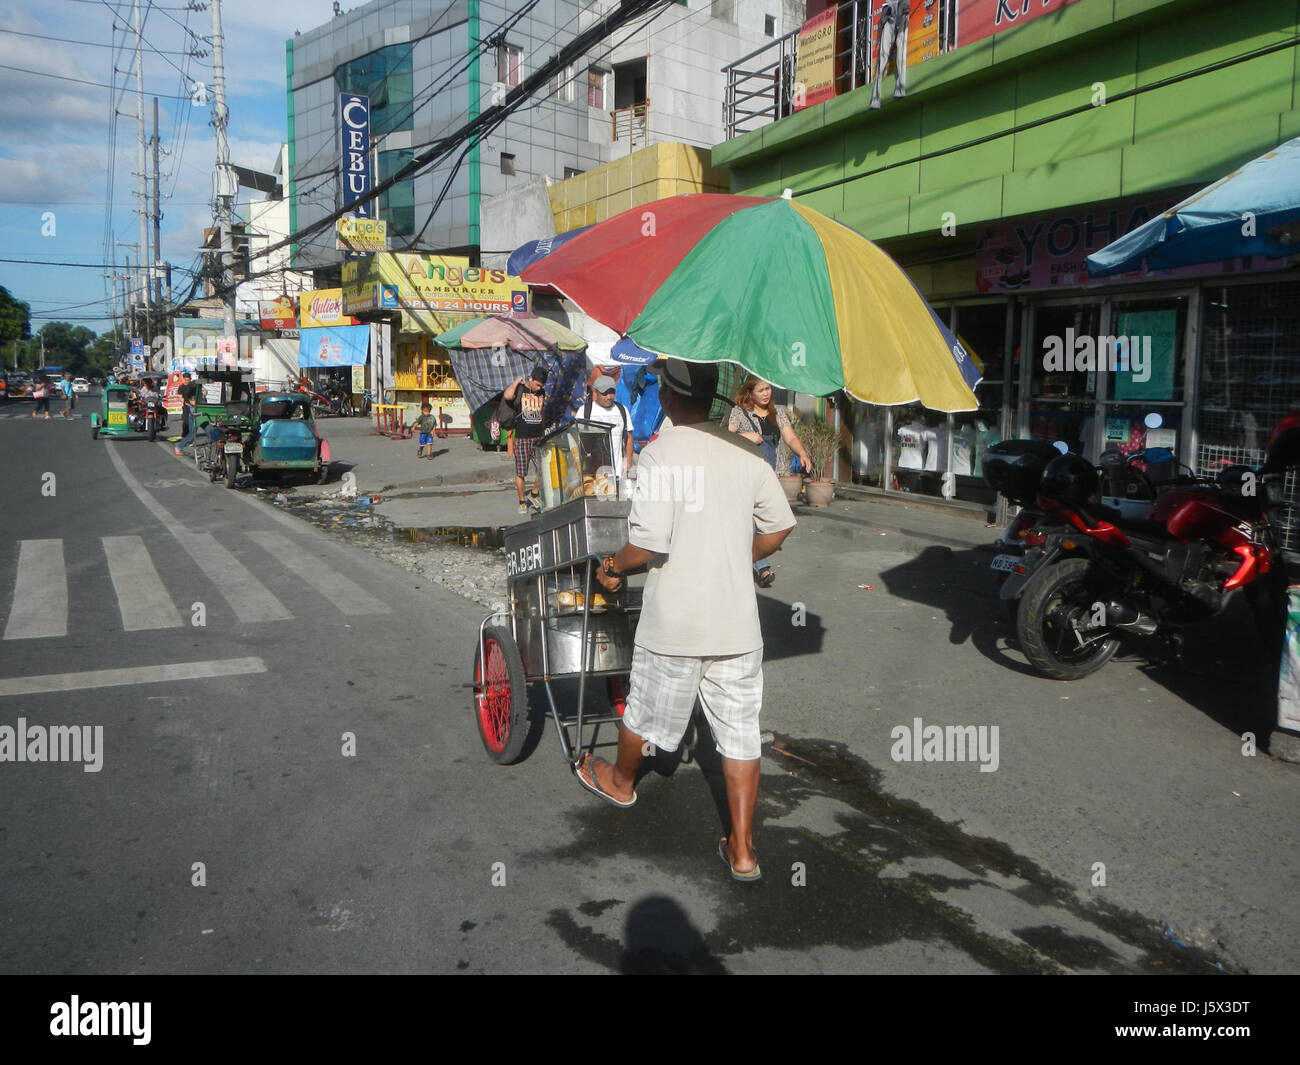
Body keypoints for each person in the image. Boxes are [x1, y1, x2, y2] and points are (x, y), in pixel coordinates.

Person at [575, 358, 797, 882]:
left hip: (675, 622)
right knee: (741, 734)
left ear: (669, 399)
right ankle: (743, 850)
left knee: (646, 712)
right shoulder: (749, 454)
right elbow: (779, 528)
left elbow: (647, 542)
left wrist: (610, 566)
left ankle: (621, 783)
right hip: (737, 624)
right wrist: (733, 555)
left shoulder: (660, 454)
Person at [727, 375, 811, 587]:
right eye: (760, 390)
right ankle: (762, 567)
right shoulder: (739, 413)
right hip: (743, 472)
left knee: (765, 517)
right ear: (750, 392)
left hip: (768, 473)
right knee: (751, 517)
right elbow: (726, 438)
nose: (766, 393)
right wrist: (746, 437)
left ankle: (743, 560)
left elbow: (790, 437)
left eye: (768, 389)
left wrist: (802, 453)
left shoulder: (778, 413)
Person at [501, 364, 549, 513]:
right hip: (522, 438)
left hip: (538, 436)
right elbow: (507, 396)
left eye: (541, 385)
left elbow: (541, 412)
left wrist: (544, 427)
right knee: (521, 472)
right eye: (537, 384)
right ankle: (522, 501)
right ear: (530, 378)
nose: (539, 388)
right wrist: (516, 381)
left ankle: (534, 494)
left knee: (543, 468)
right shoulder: (520, 389)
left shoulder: (542, 393)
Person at [578, 374, 634, 479]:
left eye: (612, 392)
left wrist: (628, 461)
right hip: (594, 476)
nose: (609, 397)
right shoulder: (584, 411)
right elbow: (576, 441)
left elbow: (629, 436)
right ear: (595, 392)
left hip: (618, 475)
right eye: (605, 393)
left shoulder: (622, 410)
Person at [172, 373, 200, 455]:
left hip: (194, 408)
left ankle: (186, 441)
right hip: (187, 407)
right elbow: (180, 398)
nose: (187, 381)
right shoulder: (181, 387)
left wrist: (204, 390)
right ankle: (181, 444)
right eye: (186, 379)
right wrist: (188, 402)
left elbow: (203, 392)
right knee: (187, 425)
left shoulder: (193, 386)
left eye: (188, 379)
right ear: (183, 379)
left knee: (193, 432)